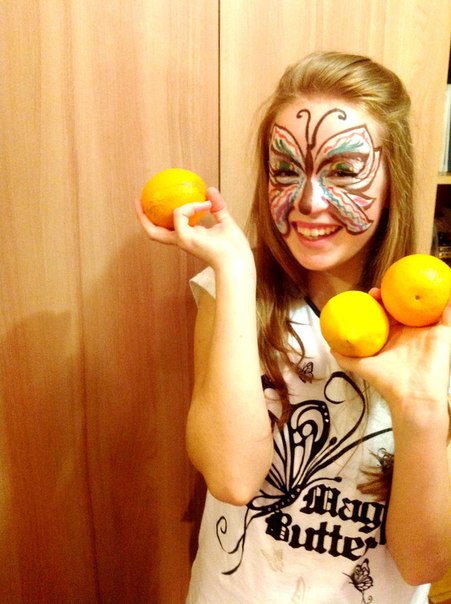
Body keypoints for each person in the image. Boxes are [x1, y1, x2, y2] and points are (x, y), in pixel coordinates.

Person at [136, 52, 451, 603]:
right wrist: (235, 271)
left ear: (393, 179)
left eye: (344, 171)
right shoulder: (232, 291)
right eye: (285, 170)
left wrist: (420, 411)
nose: (309, 202)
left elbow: (425, 560)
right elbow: (233, 478)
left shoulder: (437, 322)